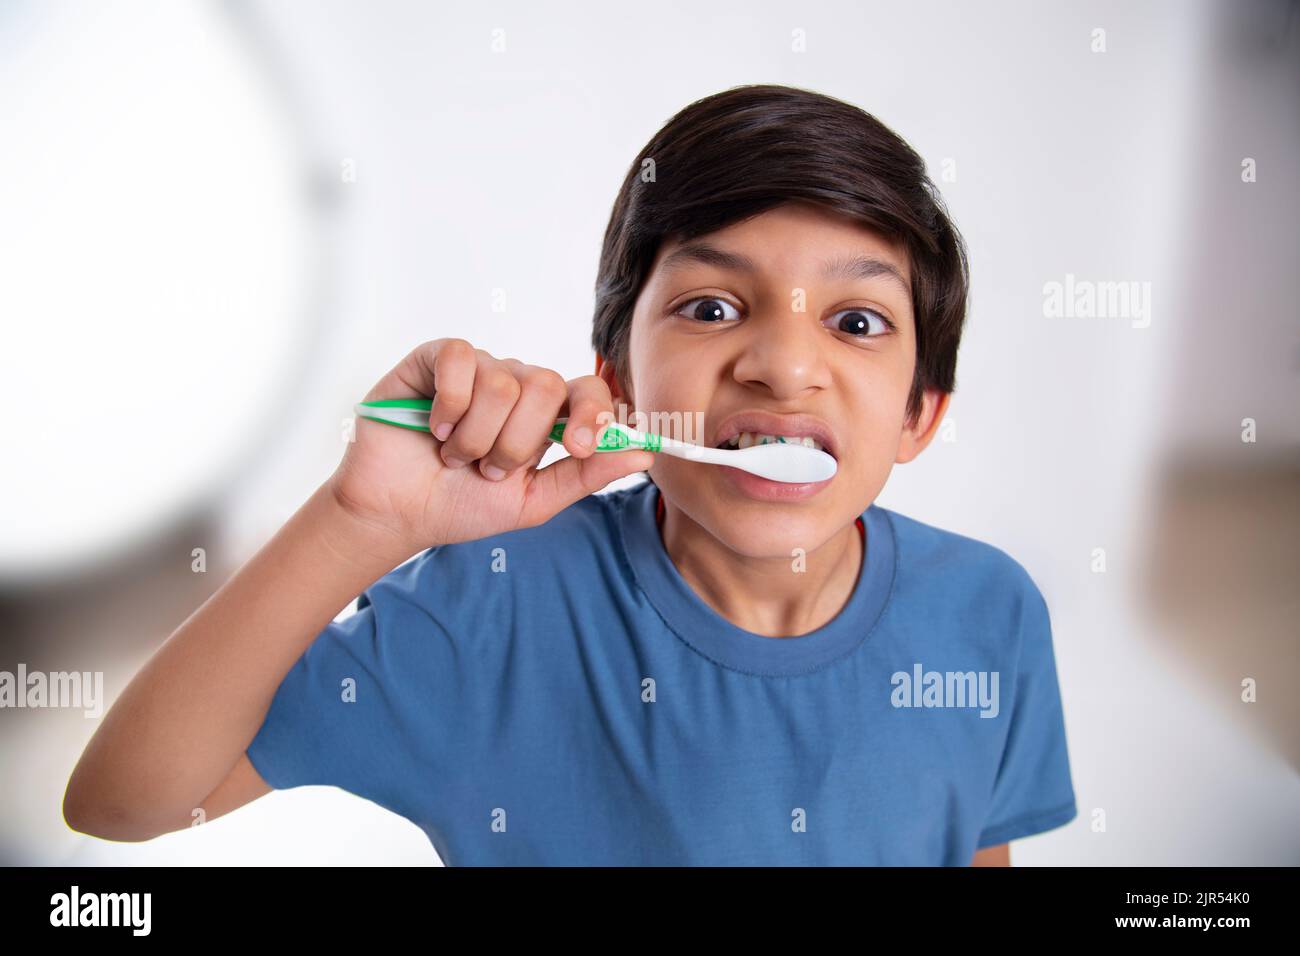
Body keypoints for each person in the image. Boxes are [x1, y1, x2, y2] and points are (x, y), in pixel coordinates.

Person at [63, 84, 1076, 865]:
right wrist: (358, 517)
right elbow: (124, 800)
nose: (782, 361)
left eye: (856, 322)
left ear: (918, 415)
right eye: (713, 307)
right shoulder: (491, 604)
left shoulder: (990, 612)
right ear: (619, 384)